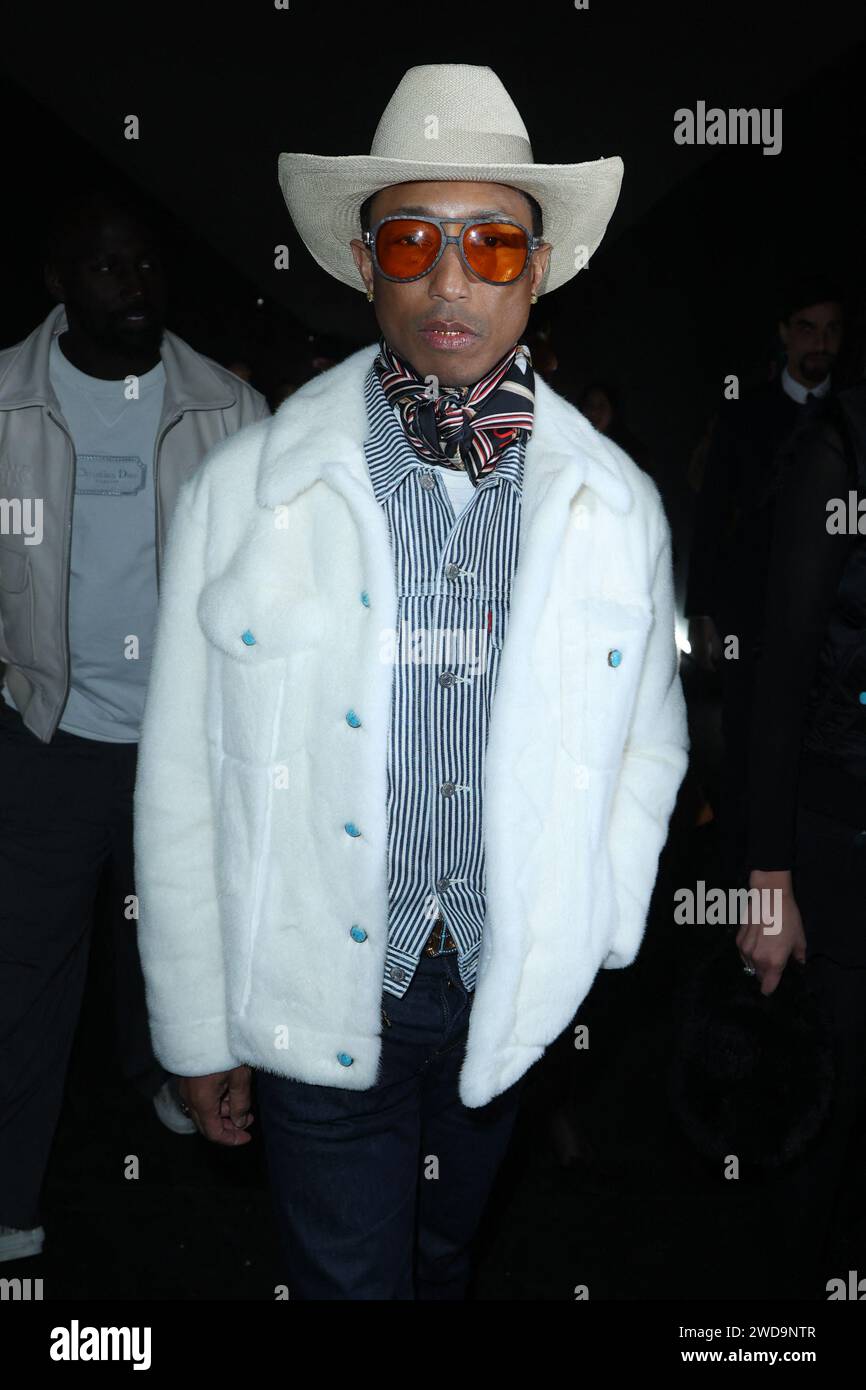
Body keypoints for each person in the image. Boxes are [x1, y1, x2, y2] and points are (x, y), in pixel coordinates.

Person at [134, 63, 689, 1300]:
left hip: (503, 990)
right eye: (413, 240)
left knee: (442, 1252)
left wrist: (592, 918)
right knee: (348, 1279)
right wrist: (197, 1025)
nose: (451, 279)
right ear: (363, 258)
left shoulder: (615, 508)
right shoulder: (245, 493)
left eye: (492, 244)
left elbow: (648, 741)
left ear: (536, 270)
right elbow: (181, 778)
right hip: (313, 971)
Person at [0, 188, 269, 1264]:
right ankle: (14, 1206)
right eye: (107, 267)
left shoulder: (227, 412)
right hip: (48, 739)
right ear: (57, 284)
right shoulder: (8, 407)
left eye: (147, 265)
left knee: (179, 947)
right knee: (24, 981)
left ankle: (175, 1077)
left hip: (184, 748)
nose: (135, 286)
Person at [738, 376, 866, 1295]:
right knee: (827, 1110)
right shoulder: (840, 450)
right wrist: (767, 882)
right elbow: (777, 681)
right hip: (837, 840)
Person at [686, 282, 844, 886]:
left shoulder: (849, 417)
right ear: (784, 333)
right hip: (750, 623)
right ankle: (744, 894)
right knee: (750, 753)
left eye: (832, 330)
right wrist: (702, 611)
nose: (820, 343)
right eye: (807, 328)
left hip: (834, 635)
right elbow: (711, 516)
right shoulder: (744, 414)